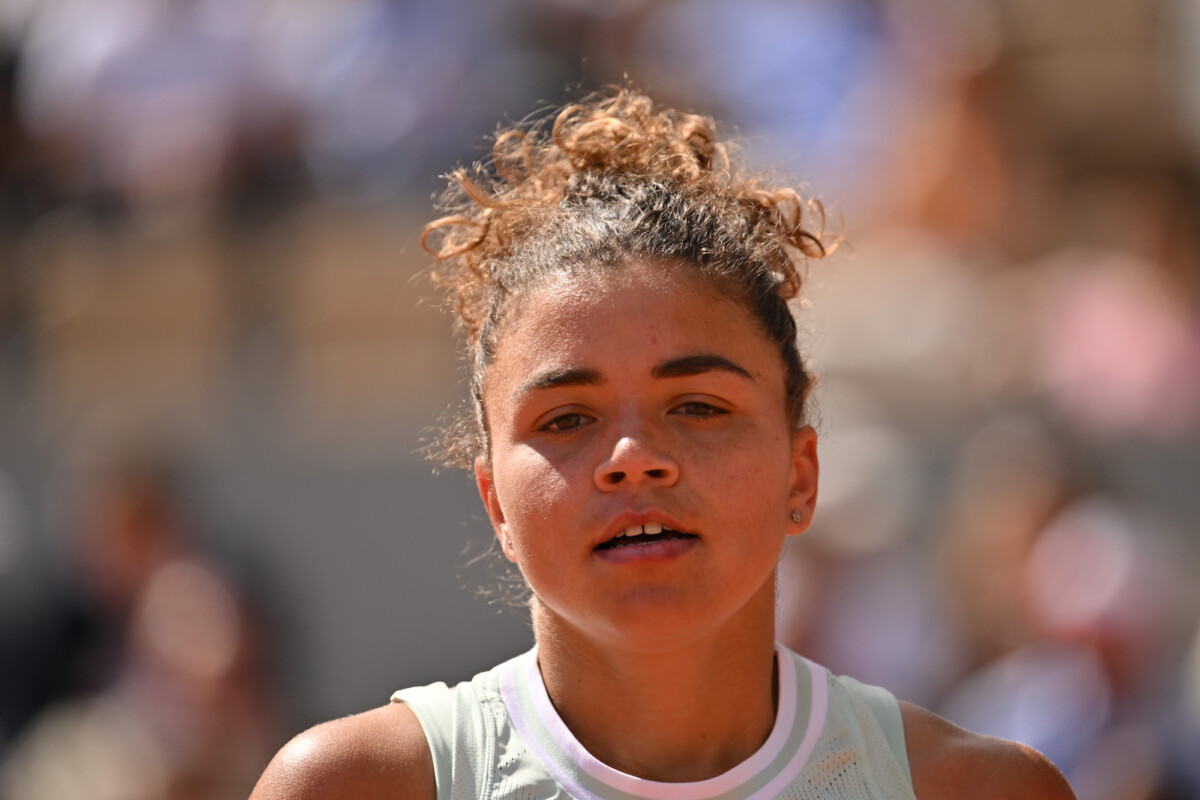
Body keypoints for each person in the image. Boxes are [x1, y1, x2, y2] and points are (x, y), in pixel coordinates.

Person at [249, 88, 1075, 800]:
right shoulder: (352, 787)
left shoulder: (978, 790)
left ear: (801, 473)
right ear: (495, 501)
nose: (634, 456)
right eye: (566, 420)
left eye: (699, 406)